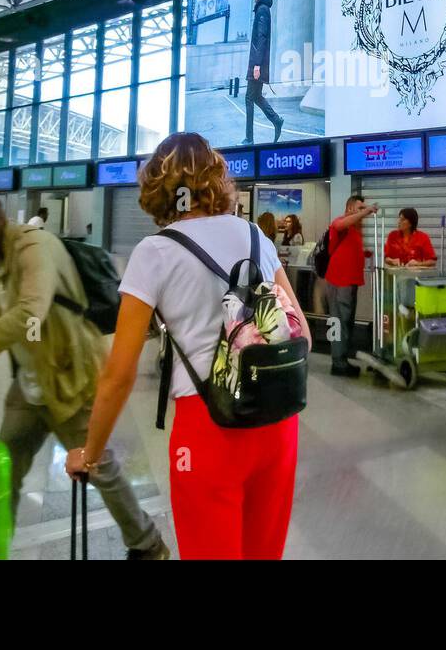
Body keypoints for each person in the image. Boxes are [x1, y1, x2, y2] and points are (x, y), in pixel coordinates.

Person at [65, 133, 311, 560]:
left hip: (207, 427)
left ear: (157, 188)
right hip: (276, 421)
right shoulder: (256, 236)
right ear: (217, 180)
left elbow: (118, 375)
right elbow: (301, 333)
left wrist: (91, 453)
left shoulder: (154, 252)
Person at [0, 191, 167, 557]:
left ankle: (148, 543)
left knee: (98, 464)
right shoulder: (7, 255)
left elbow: (28, 314)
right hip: (31, 384)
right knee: (6, 469)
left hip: (70, 379)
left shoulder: (33, 246)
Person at [326, 196, 378, 377]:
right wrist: (366, 210)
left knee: (346, 321)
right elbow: (339, 226)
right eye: (360, 207)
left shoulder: (355, 230)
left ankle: (342, 359)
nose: (365, 211)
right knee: (339, 321)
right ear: (349, 207)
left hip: (350, 281)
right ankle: (338, 362)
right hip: (339, 281)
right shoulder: (341, 221)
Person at [243, 0, 283, 145]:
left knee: (248, 98)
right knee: (256, 96)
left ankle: (249, 139)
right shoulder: (262, 8)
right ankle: (276, 120)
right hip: (258, 61)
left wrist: (257, 65)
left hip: (257, 63)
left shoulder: (262, 9)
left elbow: (261, 36)